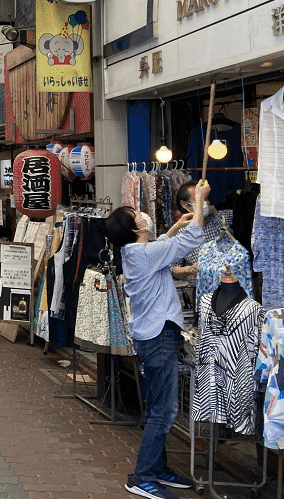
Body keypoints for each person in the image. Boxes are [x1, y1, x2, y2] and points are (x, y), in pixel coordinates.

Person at [104, 180, 210, 499]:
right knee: (164, 410)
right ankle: (143, 475)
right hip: (159, 336)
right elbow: (194, 237)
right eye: (137, 213)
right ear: (135, 227)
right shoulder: (143, 253)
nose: (142, 214)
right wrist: (200, 202)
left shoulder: (137, 253)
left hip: (152, 336)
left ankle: (158, 468)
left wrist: (176, 224)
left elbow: (163, 246)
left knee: (157, 407)